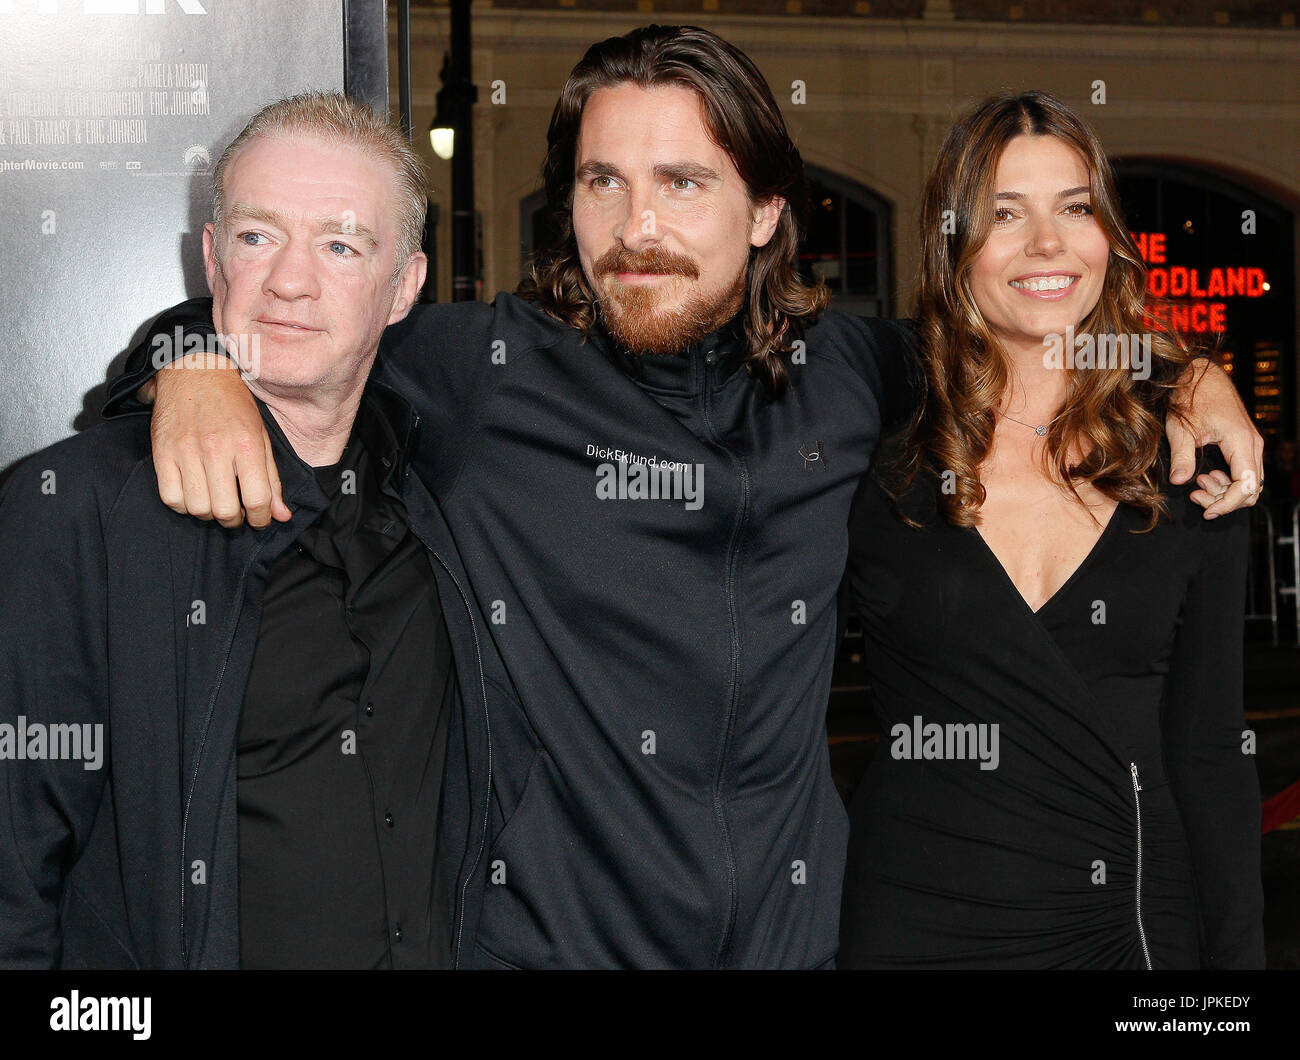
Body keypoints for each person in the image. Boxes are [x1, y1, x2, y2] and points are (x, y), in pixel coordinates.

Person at [105, 27, 1262, 968]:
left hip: (801, 949)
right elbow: (302, 321)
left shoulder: (854, 378)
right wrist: (197, 354)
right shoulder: (478, 374)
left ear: (764, 214)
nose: (638, 227)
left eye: (682, 182)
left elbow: (1016, 336)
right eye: (603, 182)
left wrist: (1190, 376)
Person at [0, 93, 483, 969]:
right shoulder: (72, 511)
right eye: (259, 237)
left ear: (404, 286)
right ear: (213, 258)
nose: (291, 282)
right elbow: (12, 873)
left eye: (341, 245)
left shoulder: (451, 483)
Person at [838, 91, 1265, 969]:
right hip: (915, 926)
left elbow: (1212, 753)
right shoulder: (875, 440)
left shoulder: (1186, 462)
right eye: (1004, 213)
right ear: (955, 244)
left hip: (1132, 933)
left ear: (1107, 234)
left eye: (1074, 208)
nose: (1047, 244)